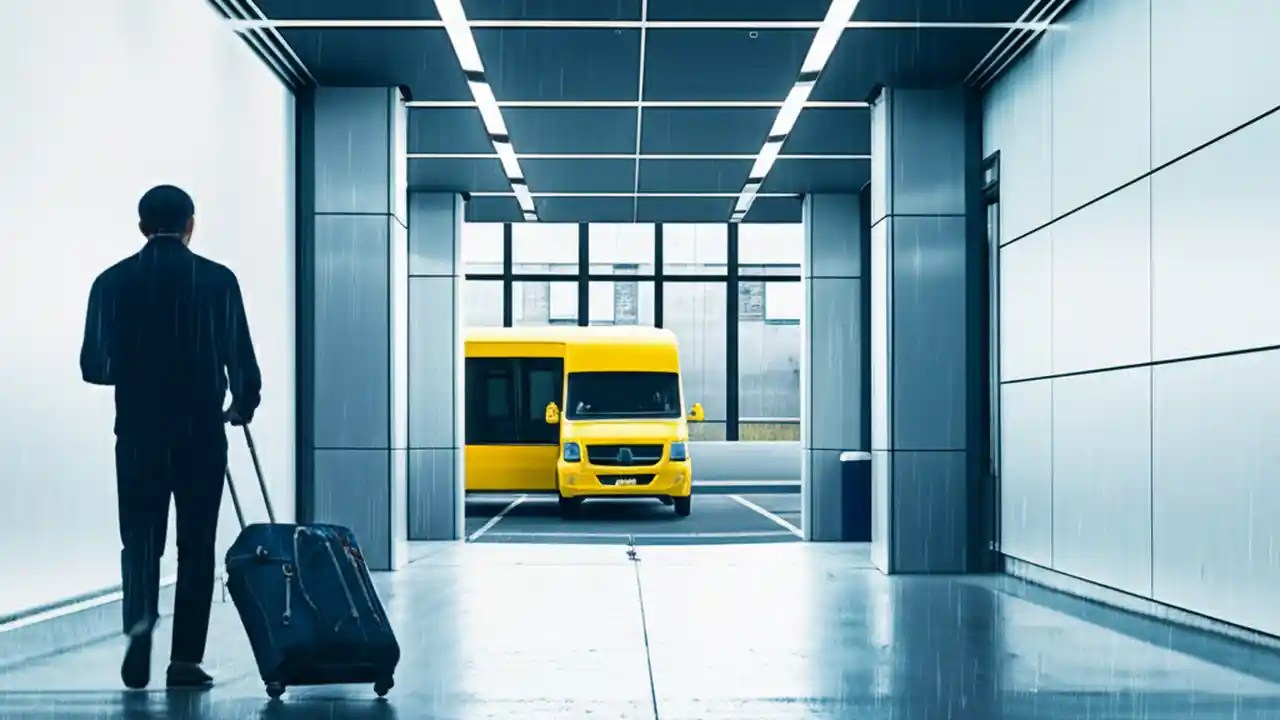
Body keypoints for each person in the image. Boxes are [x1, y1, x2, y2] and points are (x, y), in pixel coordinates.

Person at [80, 185, 261, 690]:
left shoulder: (112, 283)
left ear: (141, 226)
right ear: (191, 225)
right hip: (200, 433)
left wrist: (140, 366)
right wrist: (240, 403)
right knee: (197, 545)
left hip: (137, 433)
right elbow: (241, 361)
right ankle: (184, 660)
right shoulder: (217, 282)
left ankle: (140, 626)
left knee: (140, 539)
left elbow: (93, 366)